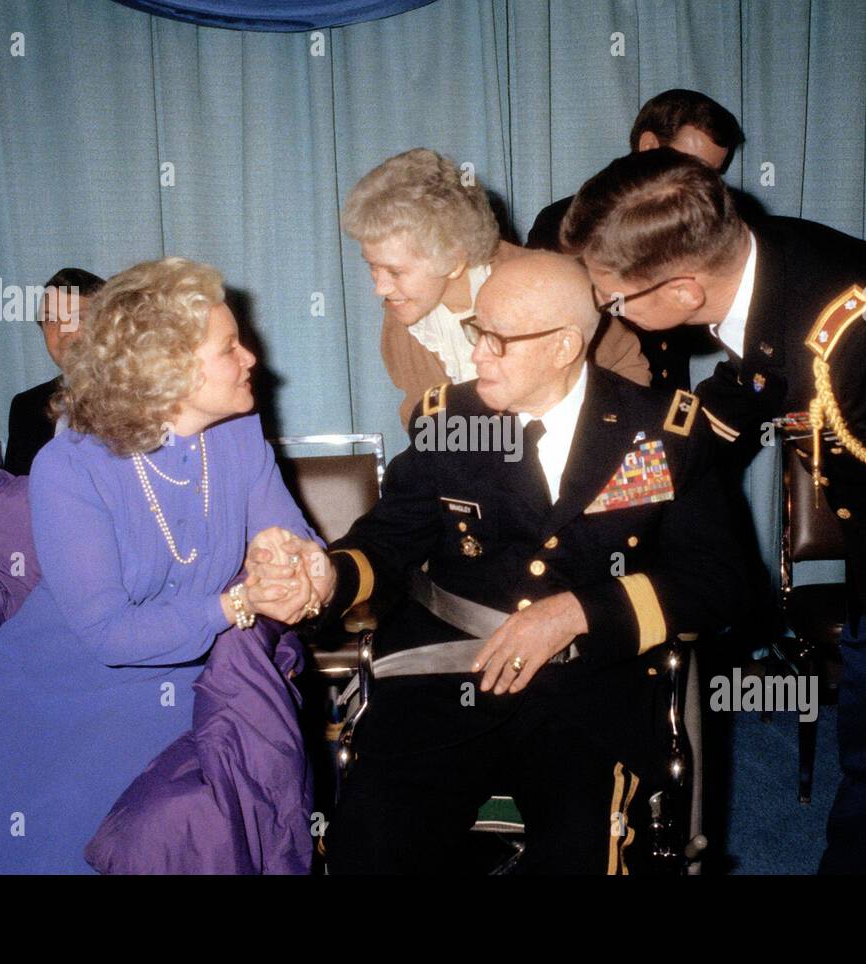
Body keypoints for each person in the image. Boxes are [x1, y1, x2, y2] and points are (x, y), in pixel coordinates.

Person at [560, 148, 866, 874]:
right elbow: (746, 387)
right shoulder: (764, 266)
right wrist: (611, 495)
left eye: (613, 302)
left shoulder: (865, 338)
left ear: (681, 289)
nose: (612, 317)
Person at [252, 251, 748, 874]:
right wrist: (330, 575)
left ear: (565, 345)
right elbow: (387, 539)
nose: (477, 353)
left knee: (583, 855)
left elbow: (722, 579)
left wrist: (577, 613)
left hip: (588, 684)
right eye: (475, 331)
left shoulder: (663, 434)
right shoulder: (451, 420)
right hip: (443, 672)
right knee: (371, 846)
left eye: (497, 339)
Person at [0, 258, 320, 873]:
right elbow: (107, 633)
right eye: (229, 347)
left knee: (189, 818)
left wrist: (301, 566)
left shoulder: (238, 436)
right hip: (63, 691)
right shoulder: (69, 465)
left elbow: (293, 539)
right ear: (172, 371)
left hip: (186, 685)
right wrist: (238, 604)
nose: (251, 359)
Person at [342, 148, 650, 425]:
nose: (380, 288)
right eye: (373, 266)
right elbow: (421, 415)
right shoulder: (404, 312)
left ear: (453, 260)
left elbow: (627, 369)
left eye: (395, 272)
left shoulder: (543, 285)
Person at [527, 89, 748, 394]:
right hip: (602, 396)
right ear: (649, 146)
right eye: (692, 167)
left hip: (669, 396)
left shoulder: (705, 223)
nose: (704, 186)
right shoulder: (567, 223)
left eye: (712, 174)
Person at [4, 267, 104, 476]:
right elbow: (15, 497)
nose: (62, 331)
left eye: (77, 317)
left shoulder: (142, 400)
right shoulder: (26, 408)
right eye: (51, 320)